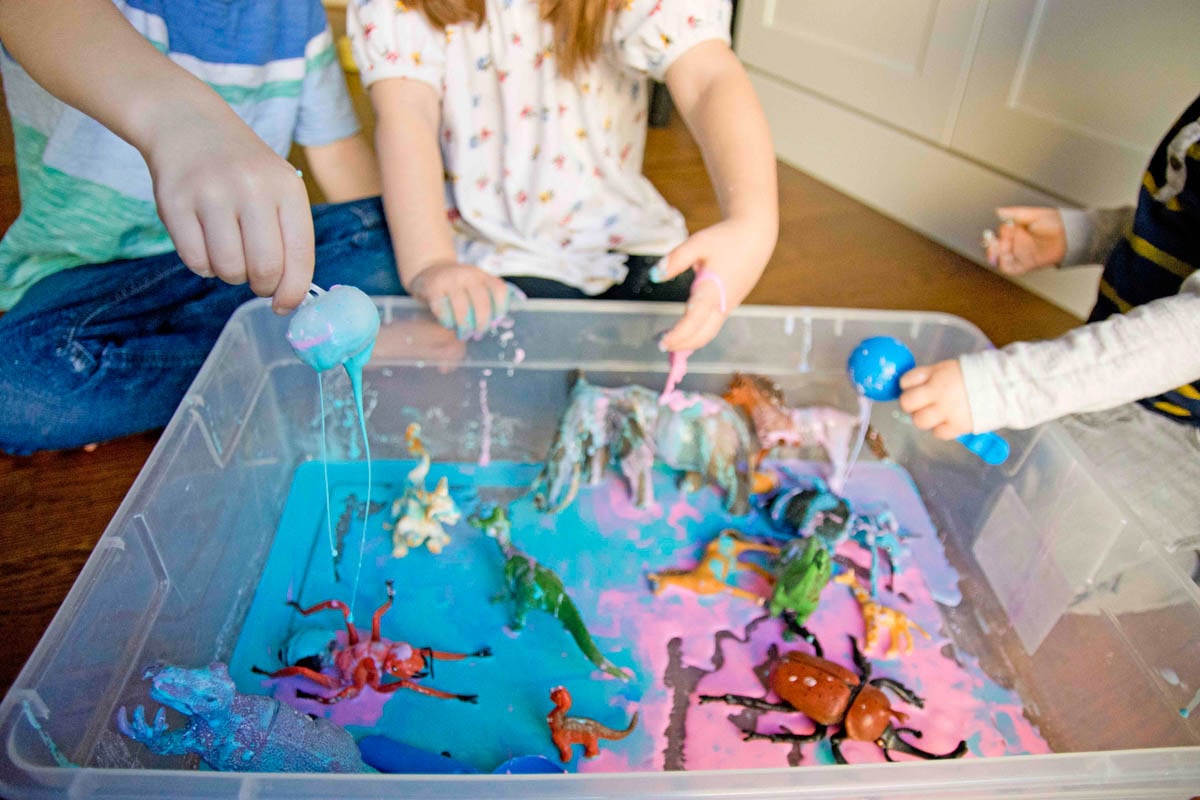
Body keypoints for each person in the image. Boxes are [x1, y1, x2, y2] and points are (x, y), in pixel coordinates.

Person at [0, 0, 403, 455]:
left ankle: (157, 384)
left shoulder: (297, 12)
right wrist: (178, 117)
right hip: (90, 289)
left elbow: (340, 156)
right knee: (17, 384)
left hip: (243, 276)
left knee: (403, 238)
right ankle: (276, 363)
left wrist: (393, 256)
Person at [345, 0, 778, 350]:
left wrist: (752, 221)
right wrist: (430, 262)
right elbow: (408, 116)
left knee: (698, 345)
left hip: (629, 236)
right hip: (505, 249)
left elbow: (708, 75)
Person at [898, 94, 1200, 570]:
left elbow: (1188, 337)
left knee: (1039, 550)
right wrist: (1084, 235)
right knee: (946, 447)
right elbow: (1178, 224)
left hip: (1182, 429)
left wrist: (1002, 386)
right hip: (1124, 383)